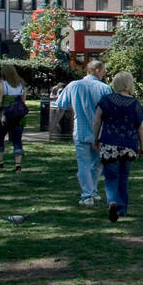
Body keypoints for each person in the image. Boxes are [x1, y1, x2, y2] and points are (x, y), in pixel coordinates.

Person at [56, 60, 113, 206]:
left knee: (84, 164)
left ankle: (88, 194)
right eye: (103, 71)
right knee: (98, 164)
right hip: (100, 132)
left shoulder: (73, 85)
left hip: (81, 131)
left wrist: (56, 121)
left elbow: (61, 104)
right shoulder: (105, 88)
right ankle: (91, 191)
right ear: (98, 70)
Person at [93, 71, 143, 223]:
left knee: (110, 176)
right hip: (128, 145)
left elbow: (97, 120)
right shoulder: (134, 103)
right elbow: (140, 127)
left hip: (109, 143)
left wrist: (95, 138)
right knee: (123, 177)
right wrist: (142, 146)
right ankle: (121, 207)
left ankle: (112, 202)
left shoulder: (106, 100)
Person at [0, 65, 28, 172]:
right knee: (17, 140)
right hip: (18, 117)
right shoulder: (21, 85)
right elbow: (23, 102)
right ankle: (18, 165)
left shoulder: (2, 85)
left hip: (4, 116)